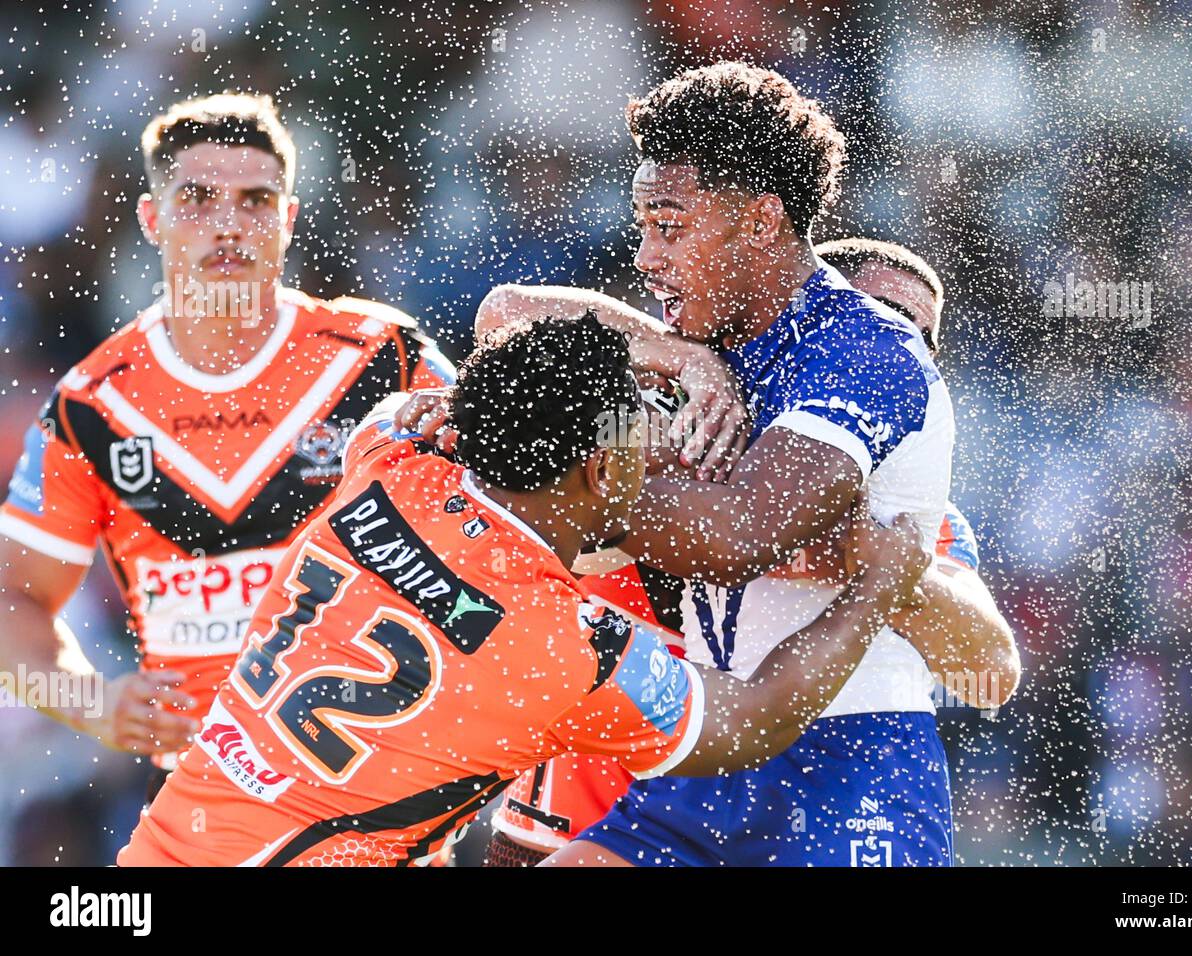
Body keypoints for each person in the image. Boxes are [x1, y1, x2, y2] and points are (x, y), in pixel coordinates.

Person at [399, 62, 960, 867]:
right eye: (642, 225)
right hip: (714, 745)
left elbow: (736, 537)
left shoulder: (865, 350)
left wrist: (527, 453)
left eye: (669, 225)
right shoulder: (716, 327)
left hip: (849, 763)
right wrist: (674, 359)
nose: (646, 254)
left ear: (762, 222)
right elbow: (506, 316)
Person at [116, 313, 928, 866]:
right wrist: (878, 589)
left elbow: (425, 397)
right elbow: (755, 719)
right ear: (601, 468)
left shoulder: (393, 462)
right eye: (638, 422)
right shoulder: (563, 645)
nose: (655, 437)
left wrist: (660, 359)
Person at [480, 237, 1018, 865]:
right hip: (609, 779)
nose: (878, 351)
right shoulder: (694, 409)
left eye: (910, 334)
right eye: (870, 318)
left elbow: (991, 674)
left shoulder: (914, 517)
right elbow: (504, 313)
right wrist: (679, 357)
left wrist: (882, 567)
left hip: (811, 769)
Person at [0, 93, 454, 791]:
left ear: (289, 219)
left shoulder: (382, 358)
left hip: (389, 788)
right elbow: (13, 598)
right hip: (200, 799)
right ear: (151, 219)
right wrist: (93, 704)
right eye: (198, 199)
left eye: (256, 201)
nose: (229, 225)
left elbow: (505, 517)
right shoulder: (92, 407)